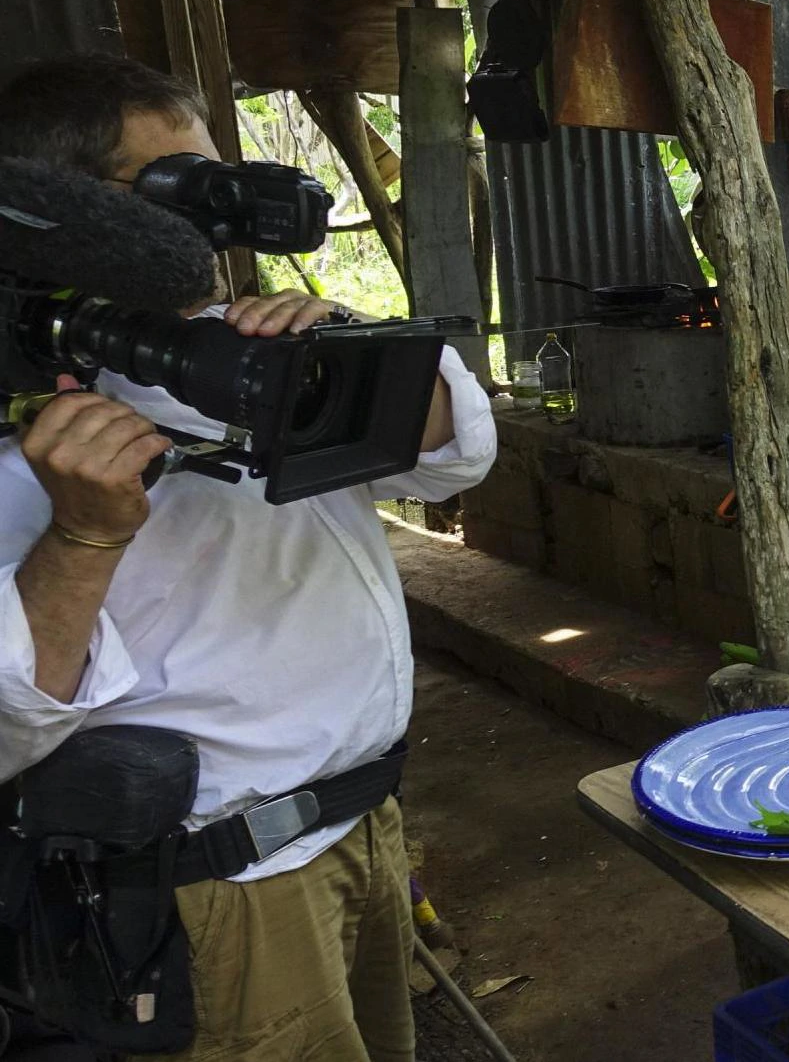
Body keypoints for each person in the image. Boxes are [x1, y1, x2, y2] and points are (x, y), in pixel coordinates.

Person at [0, 53, 497, 1061]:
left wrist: (348, 345)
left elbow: (460, 452)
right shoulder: (23, 445)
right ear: (64, 212)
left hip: (362, 827)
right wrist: (85, 533)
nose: (214, 225)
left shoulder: (245, 348)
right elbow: (10, 721)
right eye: (177, 189)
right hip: (228, 883)